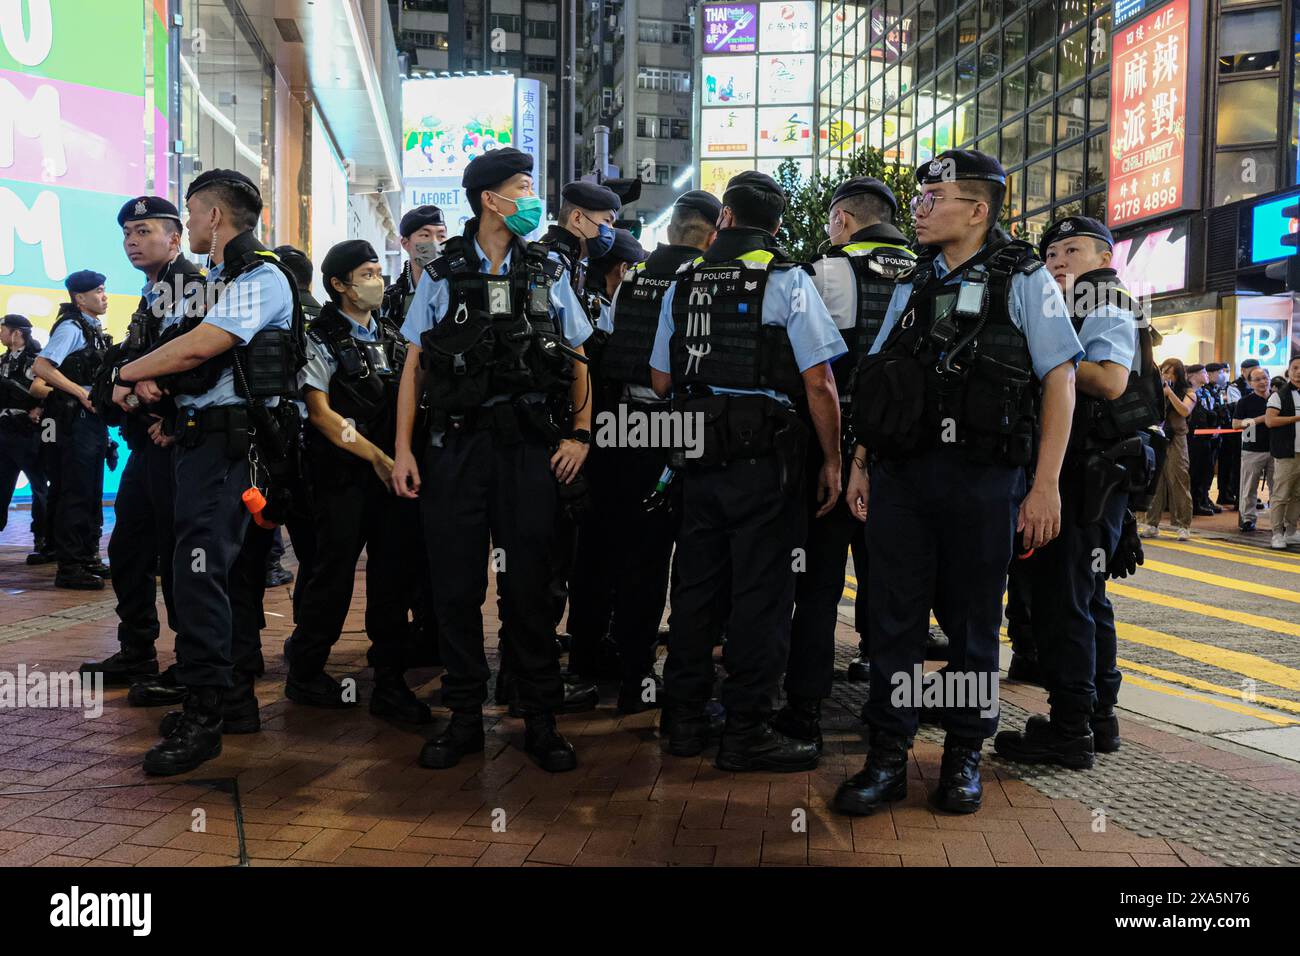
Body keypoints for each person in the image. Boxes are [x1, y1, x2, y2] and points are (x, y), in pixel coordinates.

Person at [835, 149, 1083, 816]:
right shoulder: (914, 279)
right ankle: (887, 757)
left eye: (934, 197)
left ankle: (963, 756)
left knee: (975, 625)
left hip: (983, 479)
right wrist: (861, 463)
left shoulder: (1022, 275)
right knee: (894, 624)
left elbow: (1060, 378)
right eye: (918, 197)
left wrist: (1046, 486)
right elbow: (877, 375)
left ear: (977, 209)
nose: (919, 208)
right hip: (904, 478)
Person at [391, 147, 594, 773]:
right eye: (524, 186)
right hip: (456, 448)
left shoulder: (549, 268)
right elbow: (415, 366)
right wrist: (403, 449)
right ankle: (461, 720)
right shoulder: (443, 272)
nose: (534, 198)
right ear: (490, 198)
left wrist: (581, 435)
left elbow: (579, 356)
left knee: (531, 586)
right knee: (455, 586)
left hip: (531, 447)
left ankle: (539, 718)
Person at [649, 170, 846, 771]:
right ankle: (747, 732)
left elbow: (661, 380)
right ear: (778, 225)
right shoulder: (786, 280)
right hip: (766, 464)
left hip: (696, 456)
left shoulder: (683, 281)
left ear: (725, 218)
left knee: (695, 589)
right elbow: (820, 382)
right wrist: (833, 460)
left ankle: (681, 721)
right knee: (761, 596)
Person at [116, 168, 304, 774]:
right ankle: (230, 699)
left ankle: (205, 716)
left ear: (214, 217)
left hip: (231, 452)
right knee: (220, 575)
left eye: (191, 215)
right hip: (204, 444)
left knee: (200, 575)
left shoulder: (260, 276)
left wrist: (122, 374)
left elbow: (199, 347)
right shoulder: (221, 279)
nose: (188, 226)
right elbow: (189, 356)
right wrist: (157, 391)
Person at [994, 215, 1152, 768]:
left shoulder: (1103, 300)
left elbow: (1109, 380)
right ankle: (1097, 718)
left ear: (1104, 255)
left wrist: (1047, 358)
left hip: (1086, 475)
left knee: (1066, 602)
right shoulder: (1075, 302)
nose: (1058, 260)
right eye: (1052, 252)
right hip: (1092, 473)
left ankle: (1069, 729)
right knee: (1087, 598)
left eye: (1072, 250)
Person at [783, 176, 915, 747]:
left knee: (817, 588)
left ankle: (804, 708)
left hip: (833, 457)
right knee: (897, 590)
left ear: (841, 220)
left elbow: (809, 377)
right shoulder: (930, 273)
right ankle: (889, 712)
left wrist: (832, 456)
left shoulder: (819, 274)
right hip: (906, 460)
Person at [281, 239, 431, 723]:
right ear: (339, 285)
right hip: (339, 477)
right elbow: (322, 416)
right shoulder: (317, 337)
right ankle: (305, 671)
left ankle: (389, 680)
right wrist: (376, 458)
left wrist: (395, 460)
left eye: (378, 273)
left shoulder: (389, 333)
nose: (377, 282)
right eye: (367, 274)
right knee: (333, 573)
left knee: (393, 576)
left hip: (390, 476)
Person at [80, 197, 206, 706]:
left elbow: (196, 357)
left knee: (181, 557)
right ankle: (138, 650)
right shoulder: (155, 290)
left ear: (174, 238)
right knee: (128, 548)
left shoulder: (191, 287)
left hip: (176, 443)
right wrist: (127, 388)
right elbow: (127, 366)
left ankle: (190, 665)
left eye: (143, 230)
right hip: (146, 444)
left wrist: (161, 407)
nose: (131, 240)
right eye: (127, 232)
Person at [564, 226, 658, 702]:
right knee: (628, 554)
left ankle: (587, 651)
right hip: (618, 440)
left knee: (593, 556)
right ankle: (616, 652)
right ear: (622, 270)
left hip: (587, 444)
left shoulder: (581, 306)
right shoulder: (606, 312)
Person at [32, 271, 112, 590]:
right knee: (75, 491)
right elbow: (42, 367)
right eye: (99, 291)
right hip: (73, 420)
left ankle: (87, 555)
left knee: (90, 490)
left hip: (90, 419)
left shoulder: (92, 329)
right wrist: (80, 392)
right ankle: (70, 565)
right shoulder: (71, 327)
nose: (104, 296)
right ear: (80, 298)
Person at [264, 244, 321, 599]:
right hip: (316, 439)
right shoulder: (330, 317)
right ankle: (308, 628)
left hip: (274, 433)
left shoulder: (274, 317)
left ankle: (270, 563)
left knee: (265, 514)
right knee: (314, 545)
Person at [0, 315, 51, 558]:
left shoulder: (36, 363)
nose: (1, 334)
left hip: (28, 433)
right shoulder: (2, 362)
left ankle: (42, 537)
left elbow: (47, 394)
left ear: (16, 333)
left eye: (3, 329)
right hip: (4, 430)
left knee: (40, 486)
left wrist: (39, 409)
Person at [1139, 358, 1195, 539]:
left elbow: (1185, 411)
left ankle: (1183, 524)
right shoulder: (1155, 390)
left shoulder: (1188, 392)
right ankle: (1151, 523)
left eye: (1171, 372)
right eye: (1164, 371)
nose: (1167, 376)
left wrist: (1170, 393)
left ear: (1179, 375)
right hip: (1157, 437)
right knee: (1155, 481)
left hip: (1177, 439)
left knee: (1178, 479)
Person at [382, 205, 447, 332]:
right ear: (405, 243)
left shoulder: (458, 290)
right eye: (425, 235)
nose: (435, 243)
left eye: (441, 236)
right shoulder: (393, 301)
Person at [1264, 355, 1300, 550]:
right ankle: (1277, 533)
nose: (1299, 371)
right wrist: (1296, 418)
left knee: (1297, 495)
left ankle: (1292, 531)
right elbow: (1270, 421)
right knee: (1281, 494)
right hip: (1287, 453)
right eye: (1295, 367)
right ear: (1289, 370)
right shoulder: (1279, 395)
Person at [1233, 364, 1272, 534]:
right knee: (1248, 487)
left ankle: (1279, 521)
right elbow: (1236, 424)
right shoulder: (1245, 402)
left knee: (1278, 488)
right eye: (1257, 380)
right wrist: (1261, 419)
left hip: (1277, 450)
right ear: (1250, 384)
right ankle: (1248, 519)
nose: (1262, 382)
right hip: (1252, 449)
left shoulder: (1278, 399)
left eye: (1265, 378)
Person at [1186, 364, 1222, 515]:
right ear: (1193, 375)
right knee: (1195, 471)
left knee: (1207, 471)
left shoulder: (1206, 392)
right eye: (1204, 372)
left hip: (1209, 436)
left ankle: (1203, 499)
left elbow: (1213, 411)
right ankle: (1195, 502)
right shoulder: (1188, 392)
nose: (1207, 375)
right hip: (1194, 437)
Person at [1211, 362, 1240, 508]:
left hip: (1227, 432)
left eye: (1227, 371)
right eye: (1222, 371)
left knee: (1228, 464)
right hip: (1220, 431)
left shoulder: (1229, 388)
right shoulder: (1216, 389)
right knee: (1221, 465)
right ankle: (1222, 493)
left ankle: (1226, 493)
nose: (1225, 374)